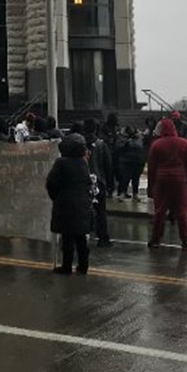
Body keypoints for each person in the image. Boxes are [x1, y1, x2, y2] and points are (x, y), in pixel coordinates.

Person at [146, 119, 187, 251]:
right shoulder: (185, 144)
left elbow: (151, 167)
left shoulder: (156, 145)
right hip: (180, 180)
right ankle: (186, 239)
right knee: (182, 211)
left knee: (160, 211)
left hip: (162, 180)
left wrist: (151, 186)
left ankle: (156, 239)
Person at [47, 133, 94, 275]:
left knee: (67, 237)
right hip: (83, 202)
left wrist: (56, 197)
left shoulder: (61, 162)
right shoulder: (83, 162)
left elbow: (51, 183)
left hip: (66, 203)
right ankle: (83, 265)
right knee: (81, 237)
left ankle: (66, 266)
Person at [83, 118, 114, 248]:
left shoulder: (80, 143)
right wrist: (110, 185)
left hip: (83, 180)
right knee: (100, 210)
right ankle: (103, 237)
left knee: (83, 209)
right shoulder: (102, 144)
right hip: (98, 181)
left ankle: (83, 235)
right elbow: (108, 166)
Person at [115, 126, 145, 201]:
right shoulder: (123, 138)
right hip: (126, 161)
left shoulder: (139, 138)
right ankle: (123, 192)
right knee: (125, 178)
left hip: (137, 161)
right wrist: (126, 140)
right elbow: (119, 147)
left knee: (136, 179)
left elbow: (140, 147)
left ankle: (135, 193)